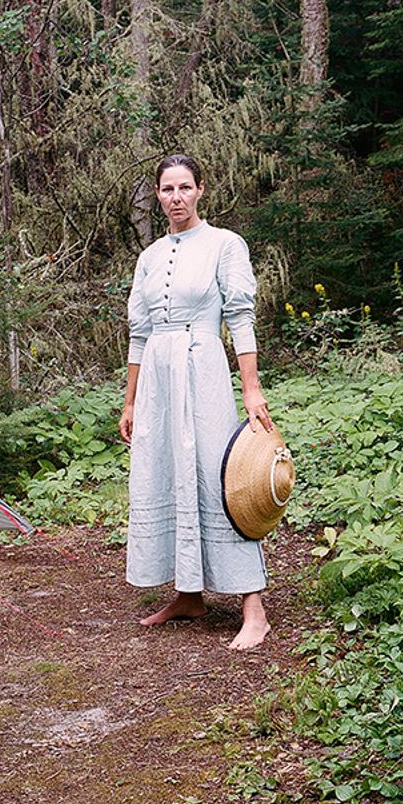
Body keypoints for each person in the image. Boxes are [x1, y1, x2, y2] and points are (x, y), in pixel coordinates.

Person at [118, 154, 274, 651]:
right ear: (157, 195)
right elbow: (139, 333)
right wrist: (130, 402)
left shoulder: (225, 244)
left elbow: (240, 317)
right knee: (167, 471)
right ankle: (188, 594)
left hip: (202, 367)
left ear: (201, 189)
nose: (176, 198)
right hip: (158, 379)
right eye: (167, 189)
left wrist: (251, 388)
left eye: (185, 187)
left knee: (217, 477)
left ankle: (254, 609)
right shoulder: (149, 256)